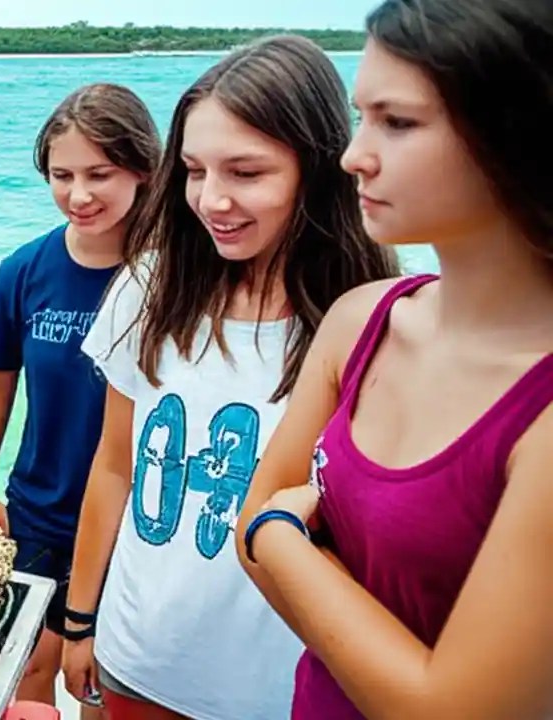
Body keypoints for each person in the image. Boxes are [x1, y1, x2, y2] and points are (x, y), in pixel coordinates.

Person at [65, 35, 400, 720]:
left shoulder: (364, 321)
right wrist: (77, 618)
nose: (211, 200)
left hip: (274, 687)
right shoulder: (151, 285)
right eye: (193, 170)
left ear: (317, 169)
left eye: (245, 173)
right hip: (138, 658)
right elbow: (113, 466)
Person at [238, 2, 553, 718]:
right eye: (360, 117)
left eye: (398, 122)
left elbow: (448, 708)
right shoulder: (362, 321)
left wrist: (283, 541)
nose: (353, 155)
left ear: (516, 130)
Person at [0, 83, 161, 714]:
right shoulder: (23, 269)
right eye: (61, 175)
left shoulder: (172, 278)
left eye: (99, 174)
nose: (78, 195)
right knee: (24, 668)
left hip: (133, 521)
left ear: (143, 168)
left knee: (99, 681)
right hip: (39, 510)